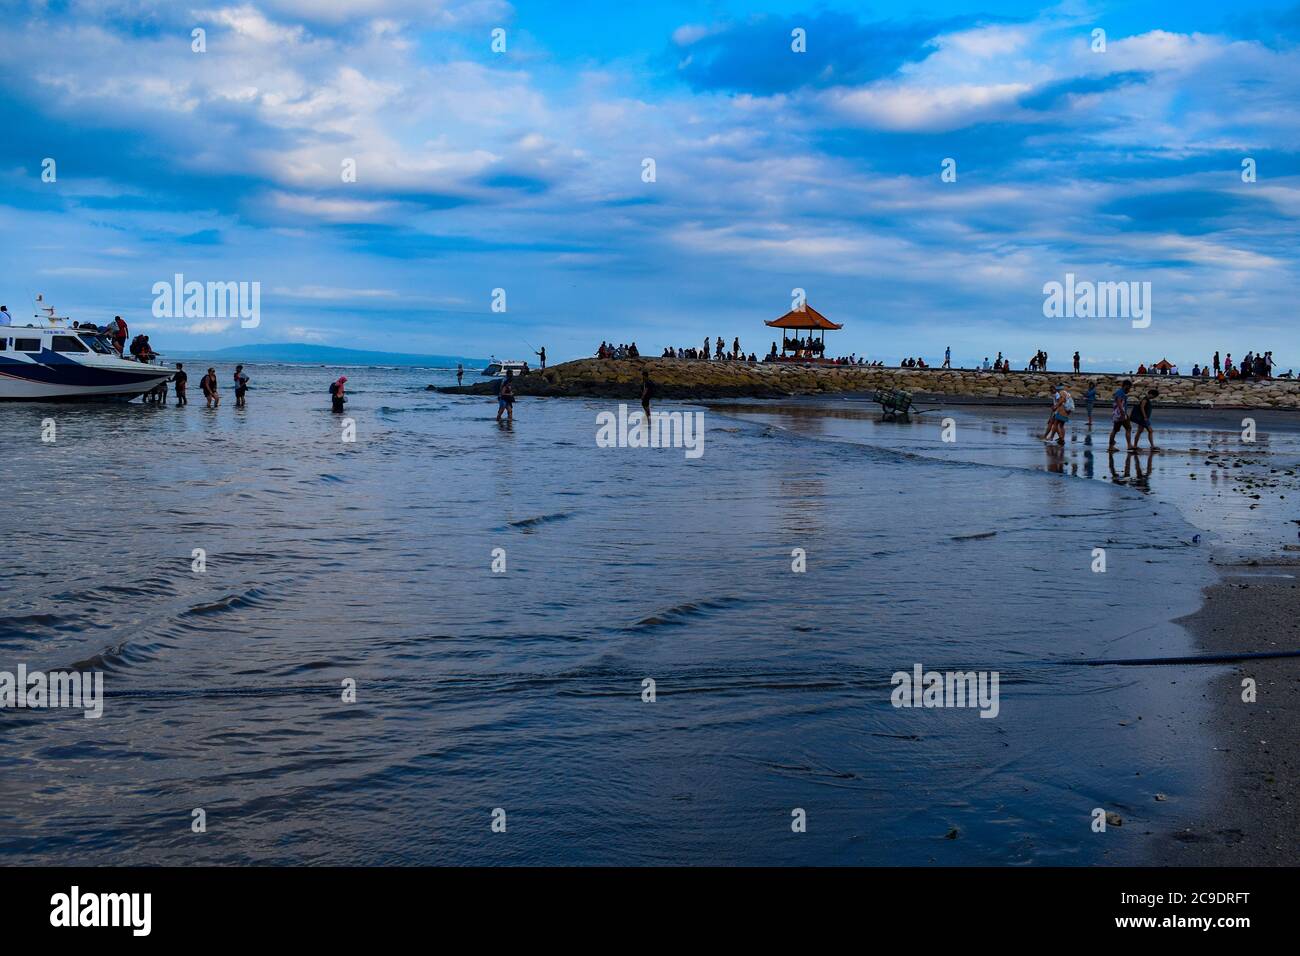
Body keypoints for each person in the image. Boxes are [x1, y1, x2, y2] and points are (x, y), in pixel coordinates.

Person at [1107, 379, 1133, 451]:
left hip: (1118, 414)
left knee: (1115, 430)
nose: (1129, 389)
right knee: (1127, 428)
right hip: (1121, 414)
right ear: (1126, 386)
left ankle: (1111, 446)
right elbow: (1119, 402)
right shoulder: (1120, 392)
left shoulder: (1120, 392)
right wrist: (1122, 413)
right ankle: (1129, 445)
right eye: (1129, 387)